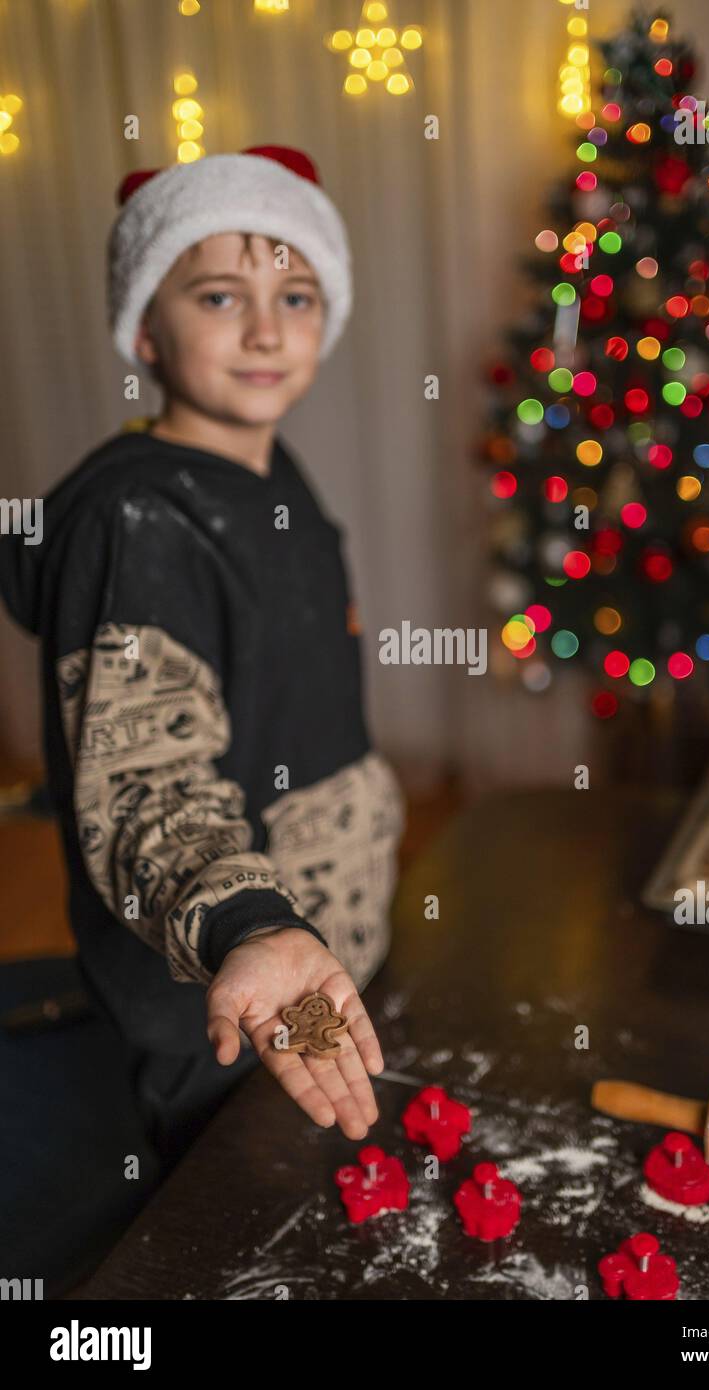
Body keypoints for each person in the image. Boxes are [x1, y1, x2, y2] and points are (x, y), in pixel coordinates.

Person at [0, 145, 406, 1170]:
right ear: (145, 328)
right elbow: (142, 779)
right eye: (221, 295)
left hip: (316, 951)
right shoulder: (138, 517)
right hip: (225, 994)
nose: (268, 330)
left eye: (297, 293)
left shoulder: (279, 481)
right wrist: (251, 926)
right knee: (231, 1217)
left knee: (336, 1173)